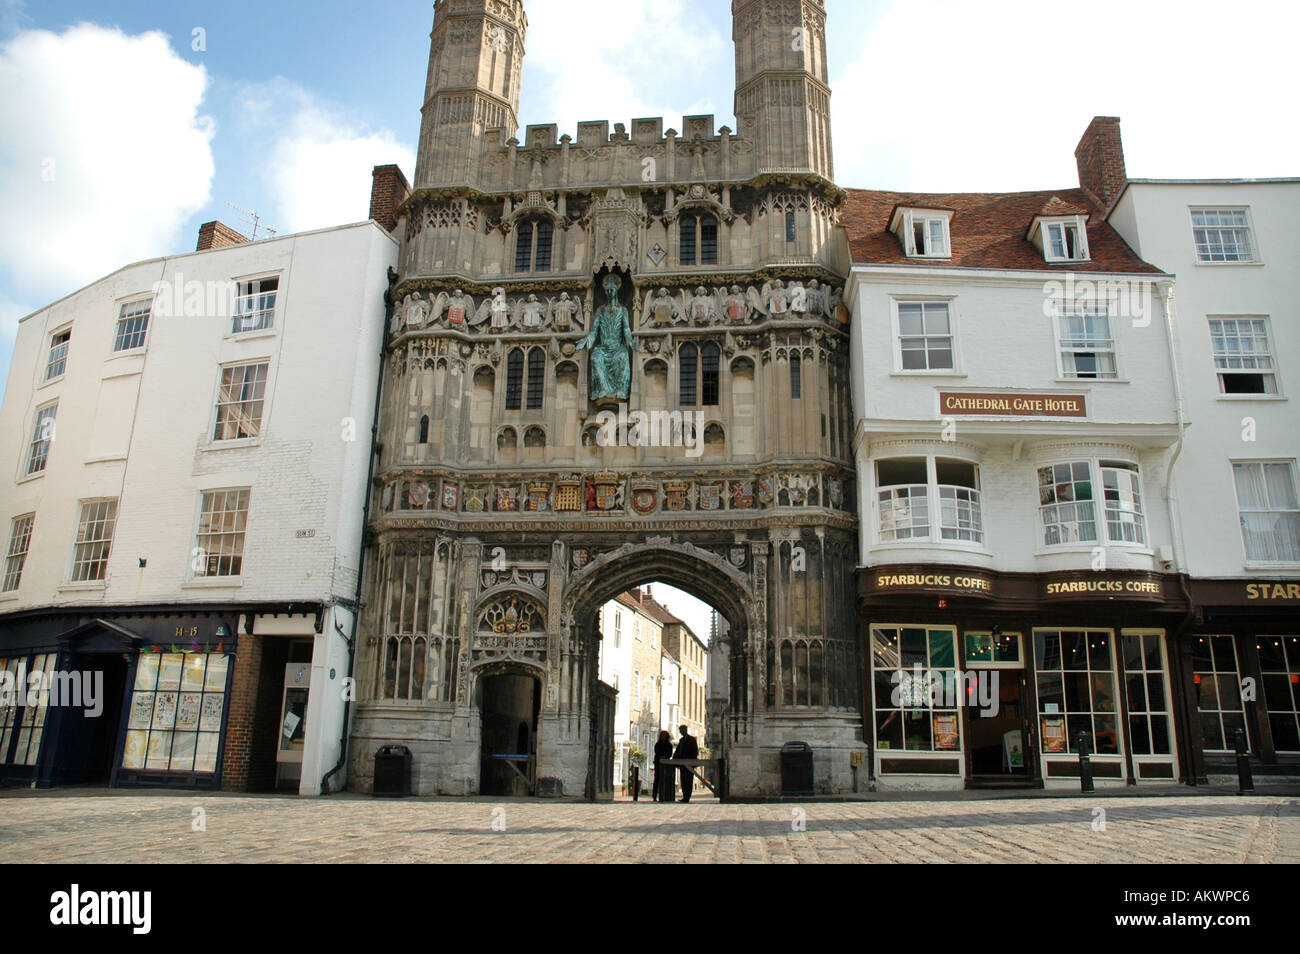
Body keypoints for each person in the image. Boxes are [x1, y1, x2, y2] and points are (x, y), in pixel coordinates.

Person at [673, 724, 699, 803]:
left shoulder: (692, 739)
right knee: (683, 780)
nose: (681, 732)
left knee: (689, 780)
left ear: (685, 730)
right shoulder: (681, 740)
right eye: (680, 731)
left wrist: (690, 760)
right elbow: (678, 751)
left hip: (689, 763)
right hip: (682, 764)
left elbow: (695, 751)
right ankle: (685, 796)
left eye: (682, 730)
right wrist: (674, 759)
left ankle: (687, 796)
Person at [652, 729, 674, 803]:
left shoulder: (669, 745)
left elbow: (669, 754)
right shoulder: (658, 744)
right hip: (658, 763)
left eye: (665, 736)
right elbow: (656, 752)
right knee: (657, 779)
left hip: (666, 764)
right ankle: (654, 796)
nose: (663, 737)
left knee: (666, 780)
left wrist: (665, 757)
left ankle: (665, 796)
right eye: (662, 736)